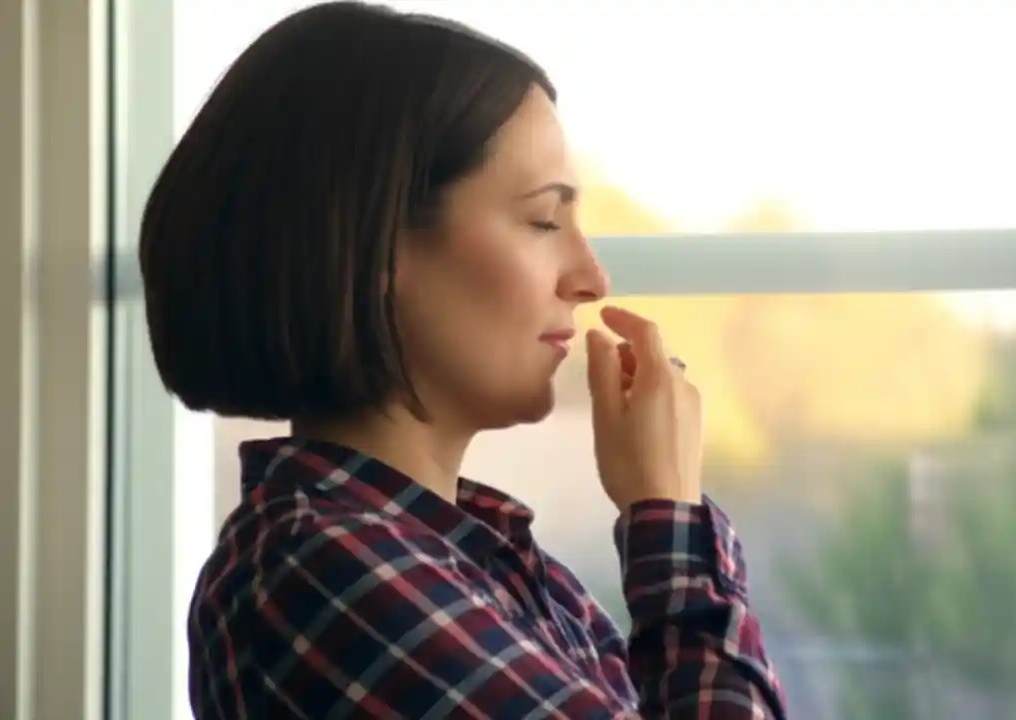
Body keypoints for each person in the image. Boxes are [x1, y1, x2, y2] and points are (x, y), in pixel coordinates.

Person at [138, 2, 788, 717]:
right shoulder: (319, 568)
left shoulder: (485, 566)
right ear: (376, 244)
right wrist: (669, 518)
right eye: (544, 220)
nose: (591, 279)